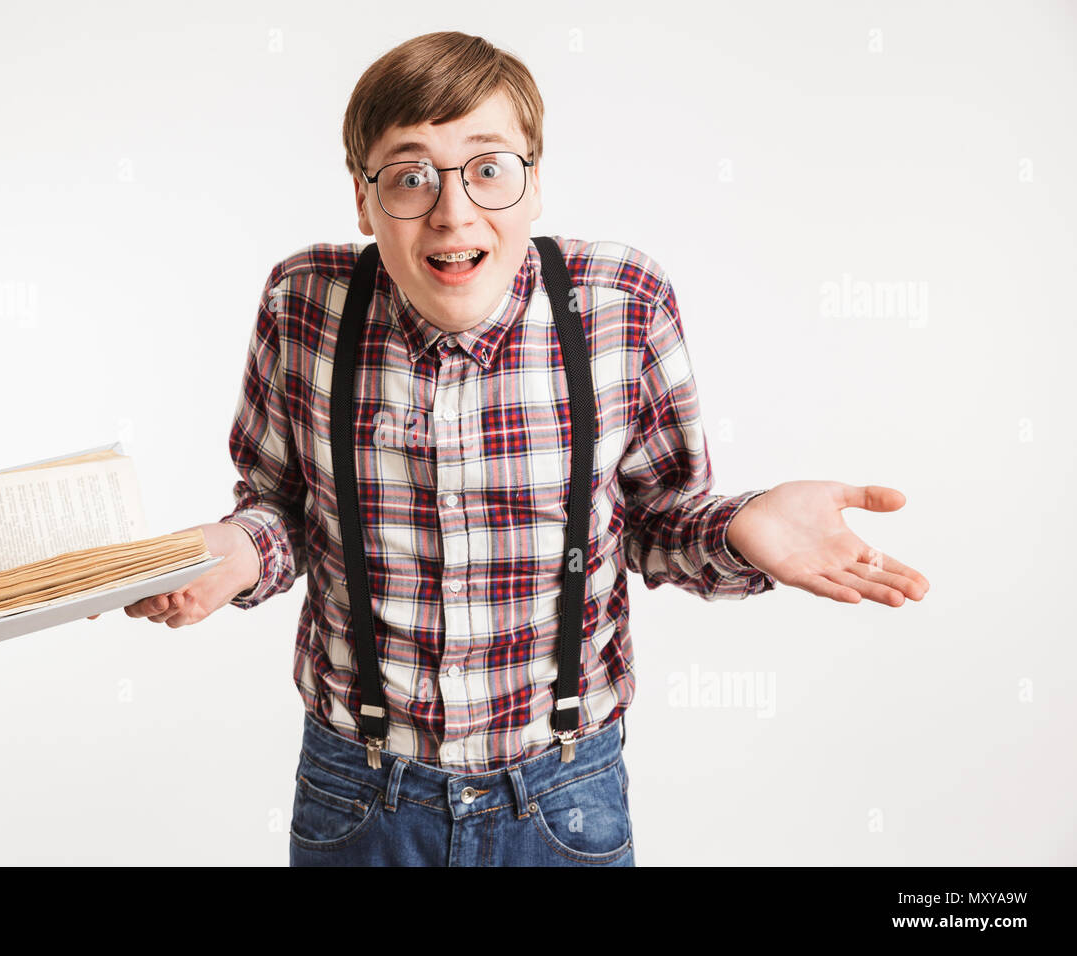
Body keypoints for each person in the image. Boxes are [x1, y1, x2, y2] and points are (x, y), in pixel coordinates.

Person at [92, 31, 930, 866]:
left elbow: (657, 517)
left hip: (565, 796)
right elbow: (283, 507)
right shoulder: (306, 301)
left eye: (488, 168)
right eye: (410, 177)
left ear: (535, 183)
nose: (453, 212)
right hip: (358, 791)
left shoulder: (621, 303)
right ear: (362, 199)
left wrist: (740, 526)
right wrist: (233, 554)